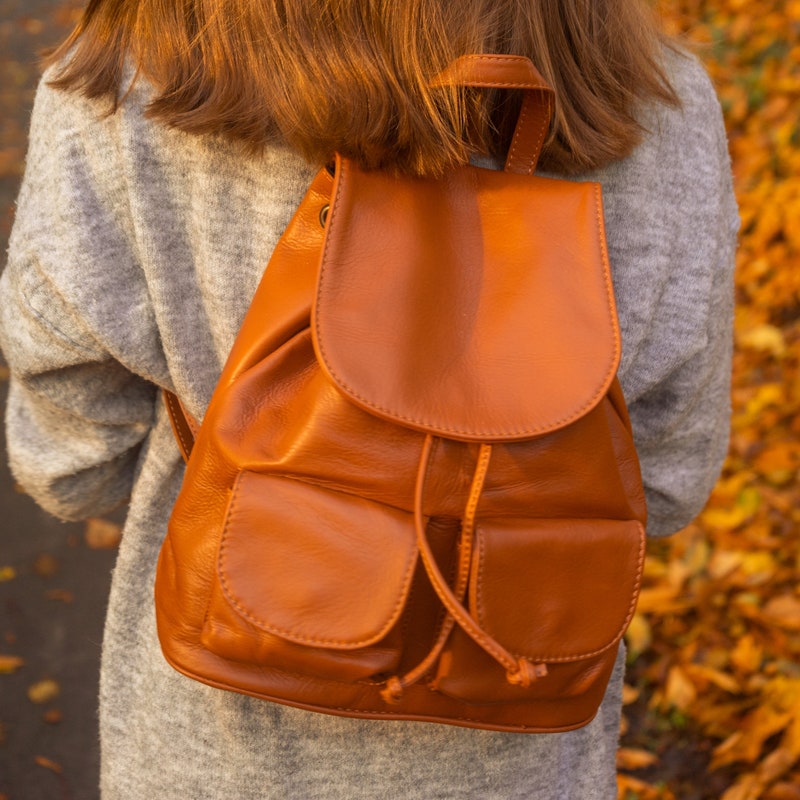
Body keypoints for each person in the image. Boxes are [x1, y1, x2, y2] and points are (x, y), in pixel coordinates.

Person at [0, 1, 738, 797]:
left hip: (212, 742)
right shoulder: (661, 103)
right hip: (518, 699)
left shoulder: (129, 79)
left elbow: (70, 471)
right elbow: (666, 486)